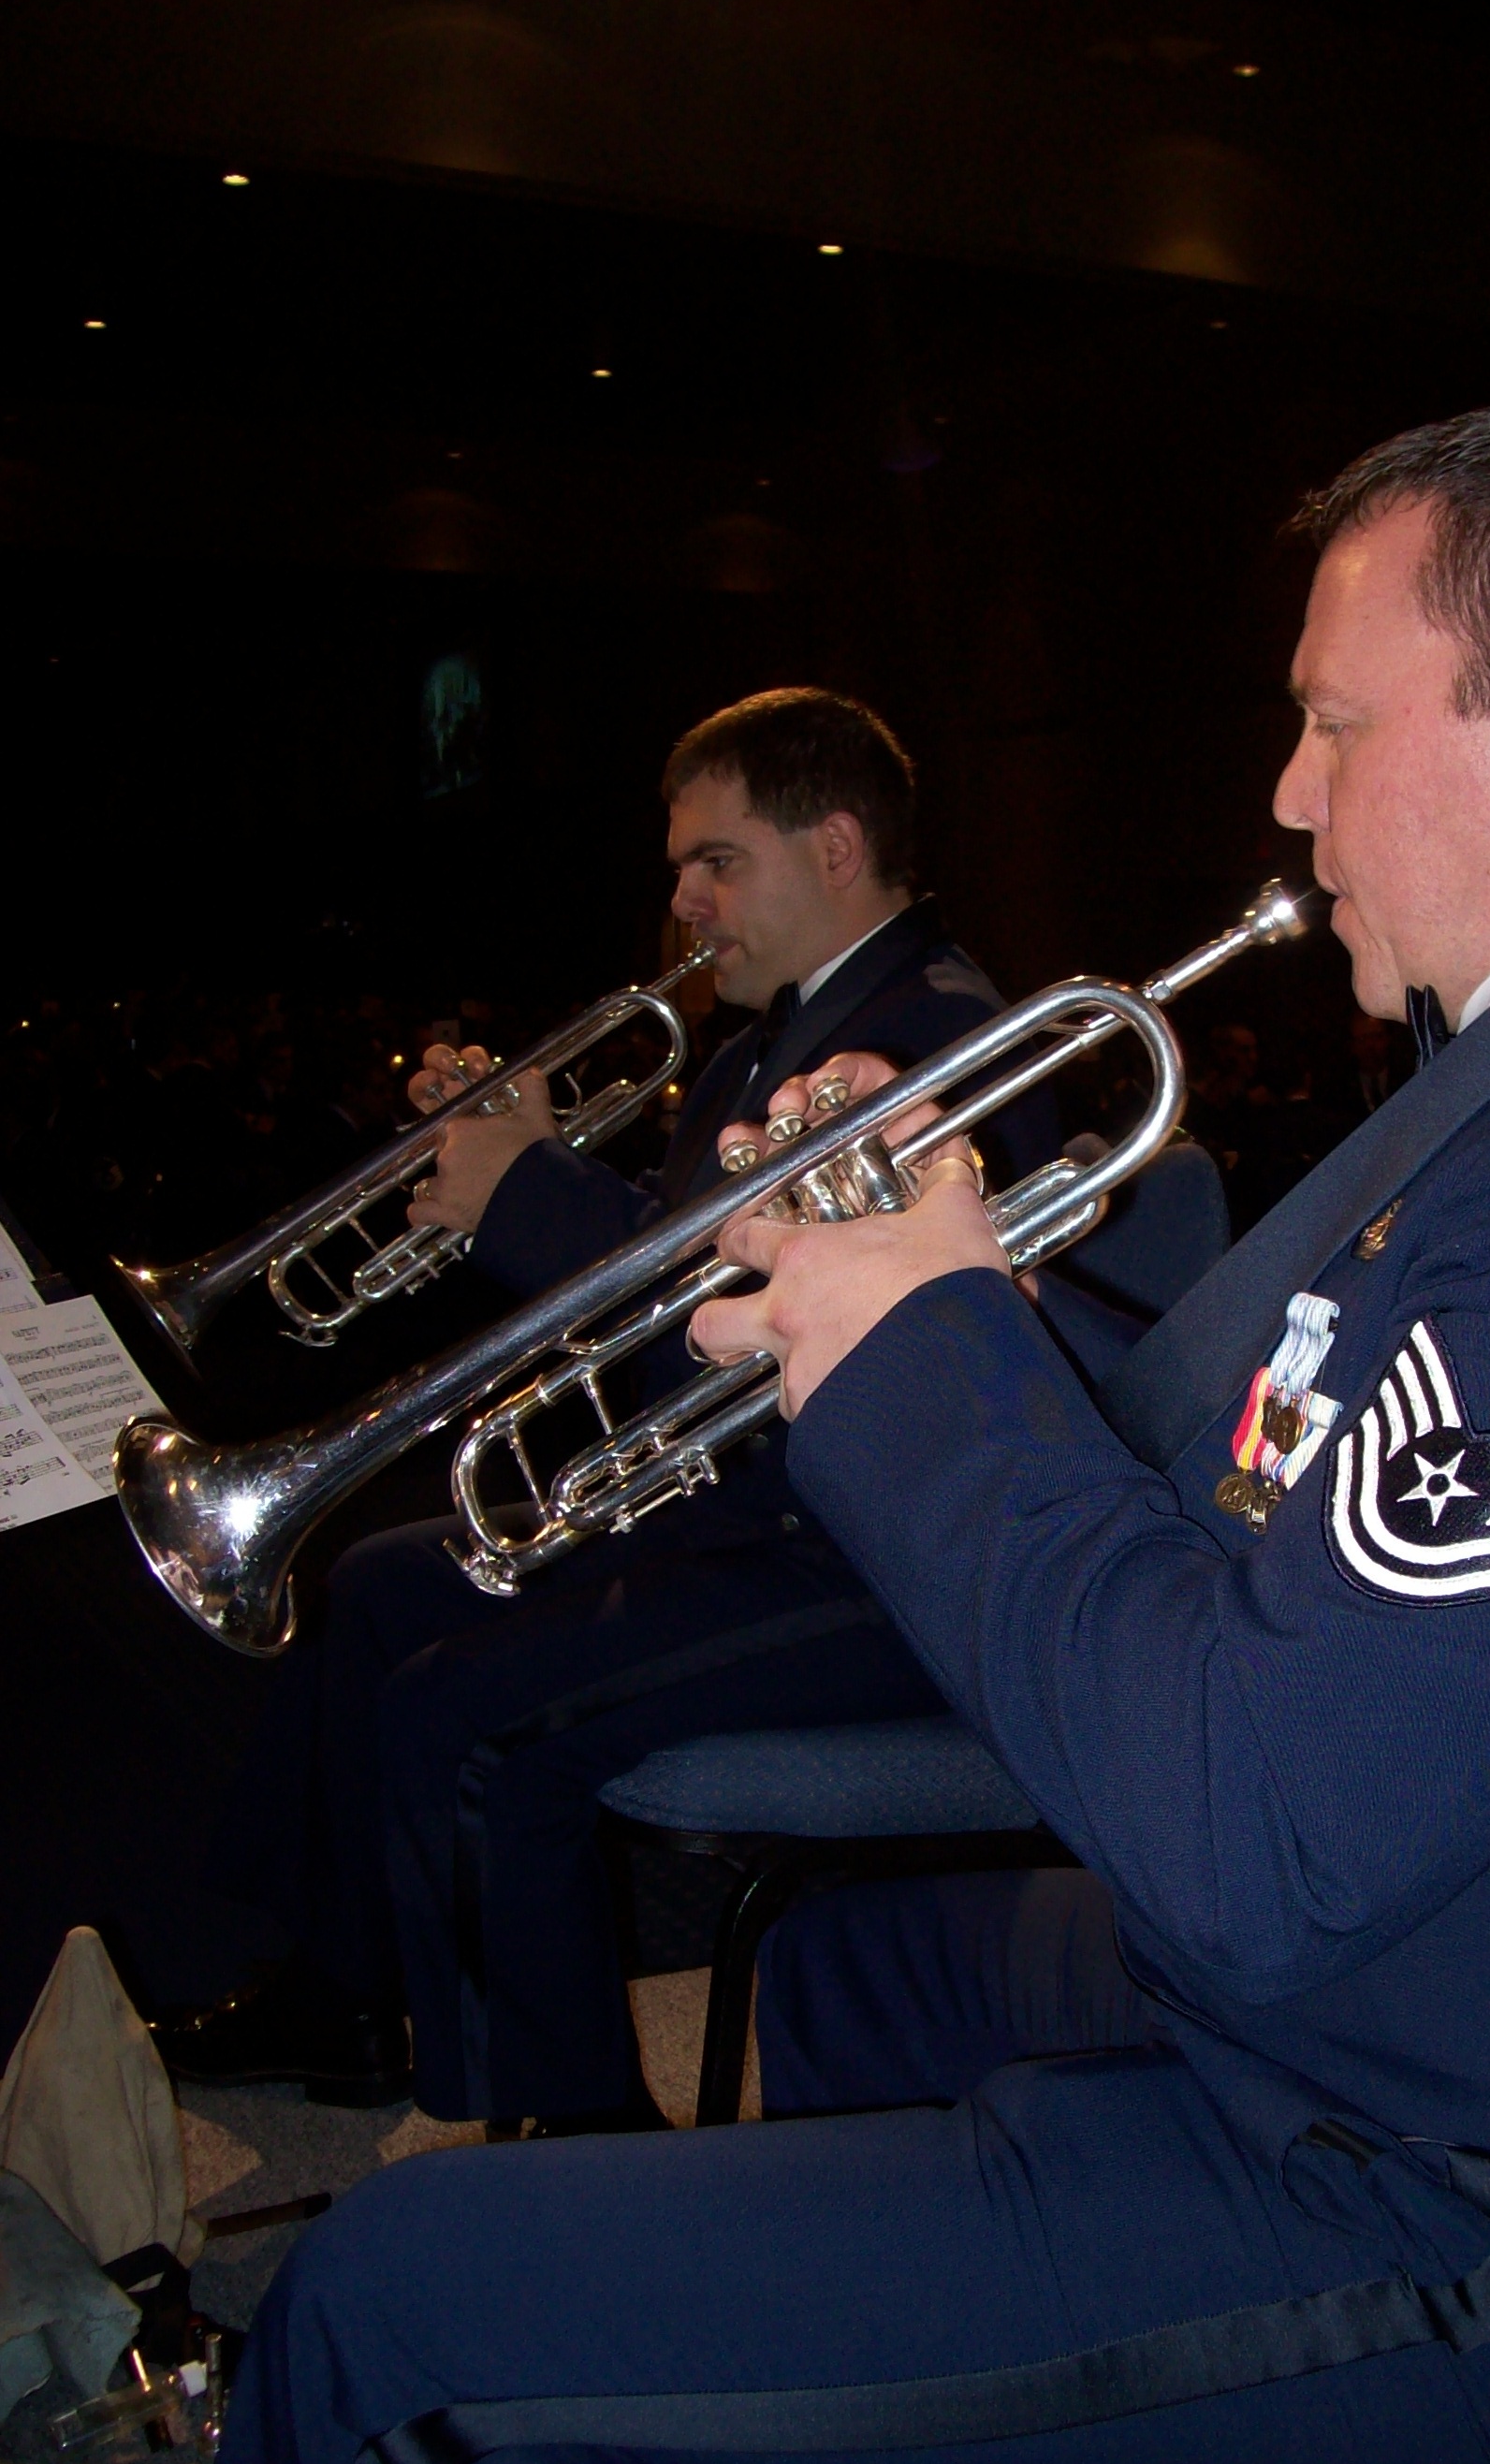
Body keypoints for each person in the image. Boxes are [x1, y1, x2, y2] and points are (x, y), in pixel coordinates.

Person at [189, 392, 1490, 2464]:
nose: (1285, 790)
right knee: (836, 1980)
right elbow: (1248, 1495)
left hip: (1480, 2219)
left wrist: (909, 1350)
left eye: (1332, 723)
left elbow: (1246, 1836)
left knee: (405, 2310)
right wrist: (961, 1244)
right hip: (1401, 2014)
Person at [166, 687, 1058, 2135]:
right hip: (752, 1510)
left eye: (718, 862)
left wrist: (532, 1197)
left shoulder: (946, 1040)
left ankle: (570, 2134)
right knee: (383, 1589)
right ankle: (346, 1992)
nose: (687, 902)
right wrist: (509, 1162)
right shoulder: (753, 1048)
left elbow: (746, 1337)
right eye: (679, 871)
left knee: (472, 1722)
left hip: (869, 1561)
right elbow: (663, 1275)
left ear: (834, 847)